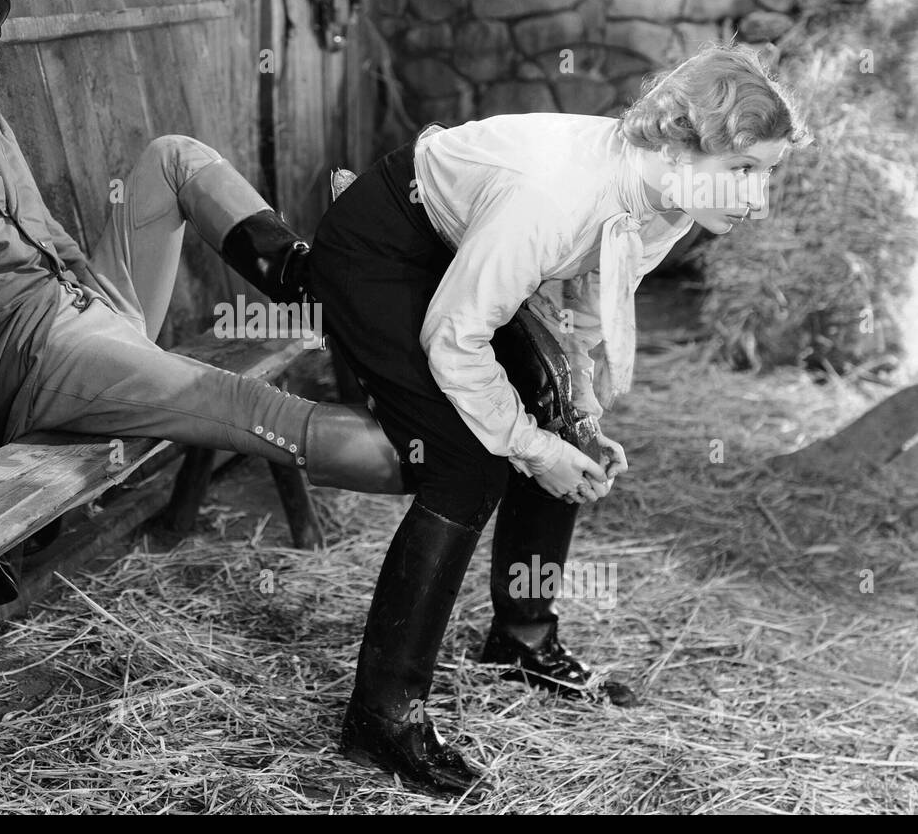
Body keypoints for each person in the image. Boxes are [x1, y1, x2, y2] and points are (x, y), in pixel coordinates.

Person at [0, 0, 407, 607]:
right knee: (233, 401)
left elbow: (46, 233)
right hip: (34, 364)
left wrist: (100, 298)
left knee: (173, 157)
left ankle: (305, 282)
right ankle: (417, 459)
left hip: (86, 311)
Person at [306, 42, 811, 792]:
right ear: (678, 143)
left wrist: (575, 413)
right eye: (743, 171)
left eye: (765, 175)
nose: (756, 199)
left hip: (473, 254)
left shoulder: (671, 200)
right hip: (381, 246)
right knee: (468, 460)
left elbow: (580, 309)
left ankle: (521, 636)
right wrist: (528, 447)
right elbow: (457, 336)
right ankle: (384, 717)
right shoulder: (554, 194)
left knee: (553, 419)